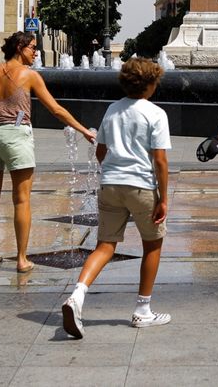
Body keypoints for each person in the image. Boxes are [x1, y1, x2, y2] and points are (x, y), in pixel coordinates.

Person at [61, 58, 173, 338]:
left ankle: (77, 296)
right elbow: (160, 161)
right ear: (150, 84)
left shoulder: (112, 110)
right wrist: (163, 198)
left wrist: (110, 171)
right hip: (141, 187)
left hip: (110, 185)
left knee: (105, 246)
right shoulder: (156, 113)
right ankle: (142, 310)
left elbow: (100, 151)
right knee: (152, 244)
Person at [0, 31, 94, 273]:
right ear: (20, 47)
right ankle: (21, 259)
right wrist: (84, 130)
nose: (36, 52)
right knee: (21, 199)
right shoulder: (30, 75)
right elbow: (55, 109)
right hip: (16, 136)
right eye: (32, 47)